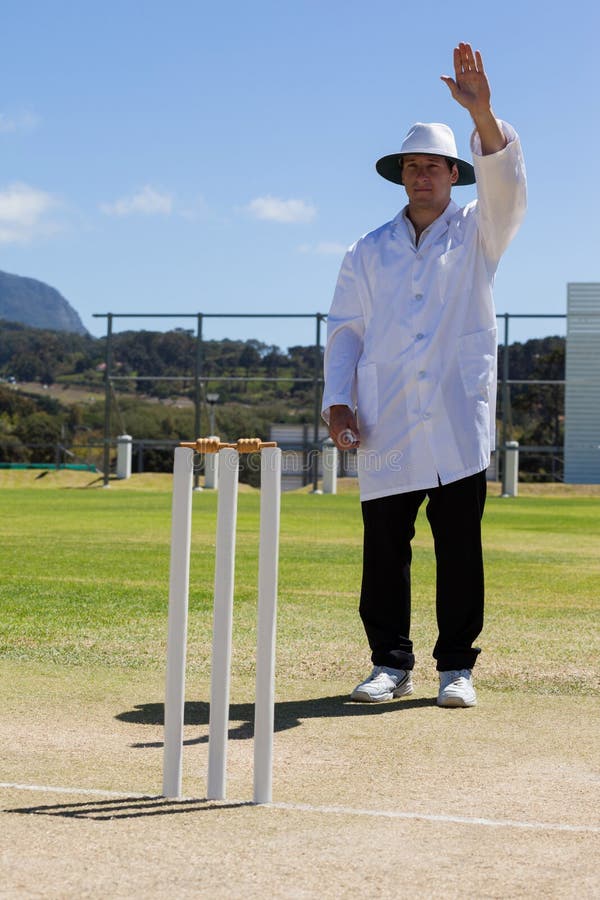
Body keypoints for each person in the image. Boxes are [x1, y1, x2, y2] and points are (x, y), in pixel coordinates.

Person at [321, 43, 527, 708]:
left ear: (453, 174)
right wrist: (338, 400)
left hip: (457, 418)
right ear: (400, 176)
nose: (421, 175)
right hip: (386, 419)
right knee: (385, 547)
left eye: (434, 165)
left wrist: (482, 110)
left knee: (459, 546)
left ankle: (455, 669)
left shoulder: (478, 231)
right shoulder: (367, 249)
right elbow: (346, 328)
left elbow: (508, 182)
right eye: (412, 166)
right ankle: (389, 662)